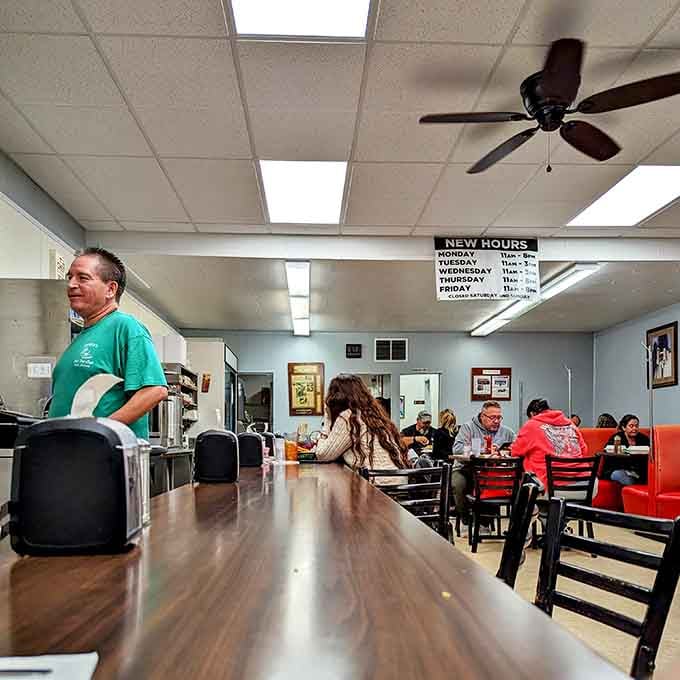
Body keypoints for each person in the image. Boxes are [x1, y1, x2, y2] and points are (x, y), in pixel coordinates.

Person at [48, 248, 168, 440]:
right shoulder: (82, 337)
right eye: (69, 277)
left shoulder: (126, 328)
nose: (71, 284)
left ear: (110, 289)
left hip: (102, 456)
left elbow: (155, 391)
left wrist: (101, 431)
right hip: (66, 453)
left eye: (83, 278)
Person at [315, 374, 409, 474]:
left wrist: (327, 421)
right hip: (398, 481)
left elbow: (323, 455)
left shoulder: (349, 417)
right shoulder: (374, 415)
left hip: (377, 484)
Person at [450, 401, 516, 526]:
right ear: (482, 416)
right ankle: (466, 520)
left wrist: (504, 451)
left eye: (499, 417)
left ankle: (485, 523)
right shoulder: (468, 427)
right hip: (466, 469)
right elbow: (457, 449)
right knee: (457, 483)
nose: (496, 421)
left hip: (493, 473)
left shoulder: (507, 432)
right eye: (492, 417)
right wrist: (481, 449)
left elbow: (518, 448)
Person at [511, 398, 588, 492]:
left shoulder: (531, 425)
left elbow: (515, 452)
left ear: (532, 414)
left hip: (553, 486)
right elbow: (584, 450)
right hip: (586, 483)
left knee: (527, 465)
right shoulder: (571, 424)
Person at [604, 414, 650, 486]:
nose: (634, 429)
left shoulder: (643, 438)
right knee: (624, 477)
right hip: (618, 469)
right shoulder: (616, 438)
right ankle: (634, 490)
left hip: (637, 471)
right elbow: (607, 454)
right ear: (624, 427)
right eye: (631, 426)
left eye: (636, 426)